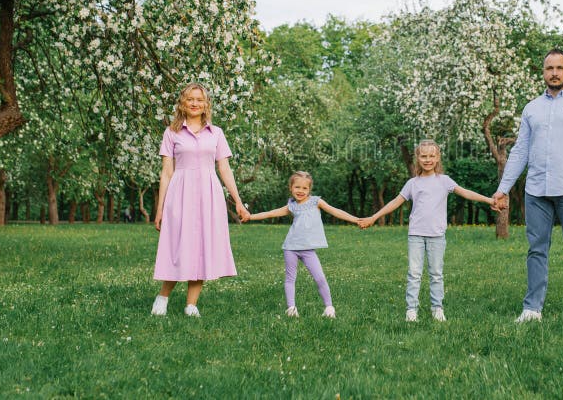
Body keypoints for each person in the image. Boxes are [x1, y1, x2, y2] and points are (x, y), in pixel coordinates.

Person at [493, 48, 563, 327]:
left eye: (559, 68)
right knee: (536, 249)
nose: (554, 73)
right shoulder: (532, 108)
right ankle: (532, 309)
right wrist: (503, 188)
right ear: (543, 72)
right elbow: (520, 151)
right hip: (537, 191)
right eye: (549, 68)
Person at [360, 140, 495, 322]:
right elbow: (395, 202)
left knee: (436, 273)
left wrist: (490, 200)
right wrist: (374, 217)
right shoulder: (412, 183)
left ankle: (437, 308)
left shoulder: (444, 181)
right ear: (417, 158)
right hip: (416, 235)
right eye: (424, 156)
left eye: (432, 156)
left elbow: (466, 193)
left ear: (438, 158)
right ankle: (411, 310)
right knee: (414, 273)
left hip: (437, 236)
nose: (428, 159)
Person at [151, 82, 250, 317]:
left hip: (209, 193)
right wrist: (160, 208)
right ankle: (162, 298)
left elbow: (224, 168)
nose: (195, 104)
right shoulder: (171, 133)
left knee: (202, 247)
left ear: (206, 105)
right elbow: (166, 172)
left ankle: (191, 304)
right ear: (182, 104)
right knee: (178, 246)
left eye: (199, 100)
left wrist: (237, 200)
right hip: (180, 192)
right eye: (190, 99)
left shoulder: (216, 133)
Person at [240, 171, 361, 318]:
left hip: (308, 250)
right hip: (291, 248)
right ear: (291, 188)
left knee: (320, 278)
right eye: (297, 187)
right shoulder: (291, 206)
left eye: (304, 188)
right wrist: (250, 216)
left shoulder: (316, 202)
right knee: (290, 278)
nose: (300, 191)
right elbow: (271, 213)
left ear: (309, 190)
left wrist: (356, 220)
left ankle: (329, 308)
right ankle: (291, 309)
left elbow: (336, 212)